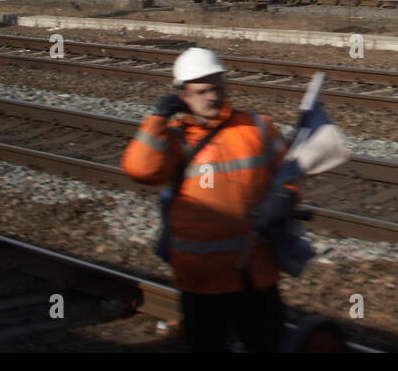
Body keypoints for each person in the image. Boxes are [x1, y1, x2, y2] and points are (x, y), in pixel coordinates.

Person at [122, 46, 302, 352]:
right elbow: (140, 170)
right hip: (202, 279)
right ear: (183, 95)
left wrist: (285, 196)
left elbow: (289, 172)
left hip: (255, 274)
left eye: (218, 88)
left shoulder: (256, 126)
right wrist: (156, 120)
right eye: (203, 91)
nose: (212, 97)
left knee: (267, 344)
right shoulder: (176, 138)